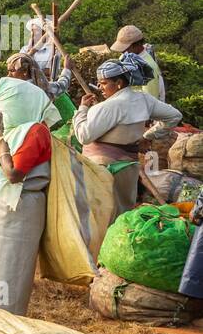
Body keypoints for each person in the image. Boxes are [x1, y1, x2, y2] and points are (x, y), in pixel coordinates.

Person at [0, 78, 57, 316]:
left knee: (7, 268)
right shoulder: (18, 130)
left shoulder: (35, 131)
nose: (0, 116)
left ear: (20, 105)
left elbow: (15, 174)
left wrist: (1, 144)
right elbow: (7, 162)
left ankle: (3, 323)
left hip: (17, 212)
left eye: (3, 110)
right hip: (2, 210)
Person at [73, 55, 181, 216]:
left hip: (102, 169)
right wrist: (148, 136)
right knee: (122, 215)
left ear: (118, 83)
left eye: (103, 83)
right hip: (128, 169)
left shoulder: (107, 107)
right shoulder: (144, 99)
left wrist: (82, 110)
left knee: (97, 216)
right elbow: (174, 116)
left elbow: (83, 136)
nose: (99, 87)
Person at [110, 25, 166, 100]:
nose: (122, 51)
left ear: (137, 45)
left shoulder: (148, 67)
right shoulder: (126, 57)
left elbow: (150, 101)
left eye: (125, 48)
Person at [6, 51, 72, 101]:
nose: (9, 75)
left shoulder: (12, 89)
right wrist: (67, 69)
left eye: (12, 70)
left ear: (25, 72)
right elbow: (61, 87)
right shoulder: (39, 87)